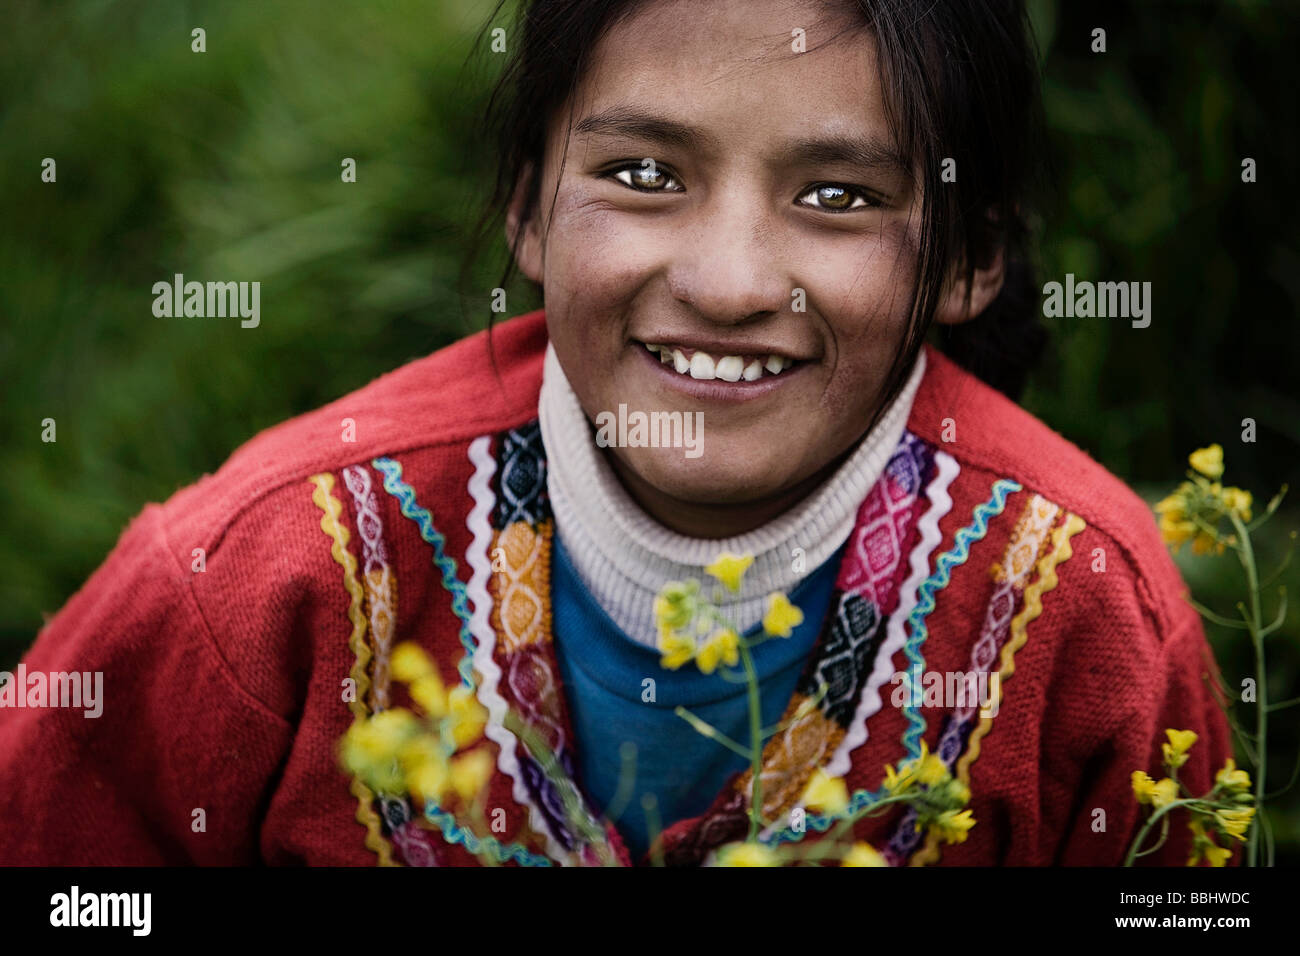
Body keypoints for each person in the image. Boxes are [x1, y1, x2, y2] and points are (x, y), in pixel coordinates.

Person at [0, 0, 1232, 866]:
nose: (731, 279)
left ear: (969, 252)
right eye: (644, 174)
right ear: (530, 204)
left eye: (839, 196)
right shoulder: (260, 574)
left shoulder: (1089, 616)